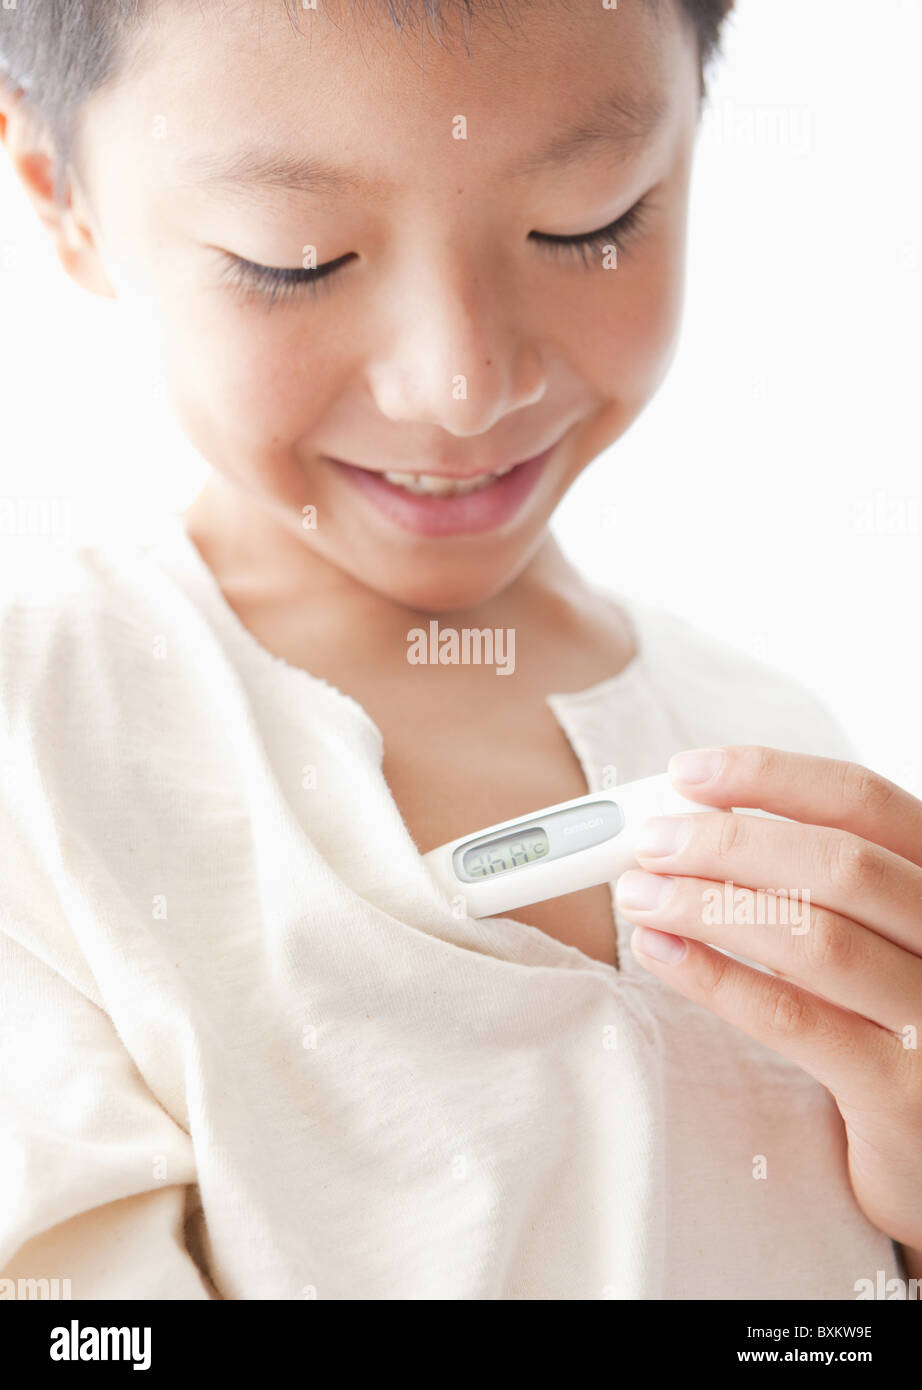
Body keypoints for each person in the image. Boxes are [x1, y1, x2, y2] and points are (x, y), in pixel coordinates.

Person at [0, 0, 918, 1300]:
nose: (460, 385)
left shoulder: (776, 740)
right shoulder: (41, 735)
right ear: (60, 196)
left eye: (588, 223)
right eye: (296, 257)